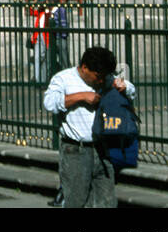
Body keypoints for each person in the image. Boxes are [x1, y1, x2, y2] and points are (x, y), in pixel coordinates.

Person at [43, 45, 136, 208]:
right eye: (97, 77)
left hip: (102, 149)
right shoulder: (63, 78)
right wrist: (80, 97)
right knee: (77, 201)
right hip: (76, 151)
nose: (100, 81)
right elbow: (49, 103)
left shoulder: (105, 79)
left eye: (103, 77)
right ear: (85, 67)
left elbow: (131, 91)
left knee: (107, 201)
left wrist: (125, 86)